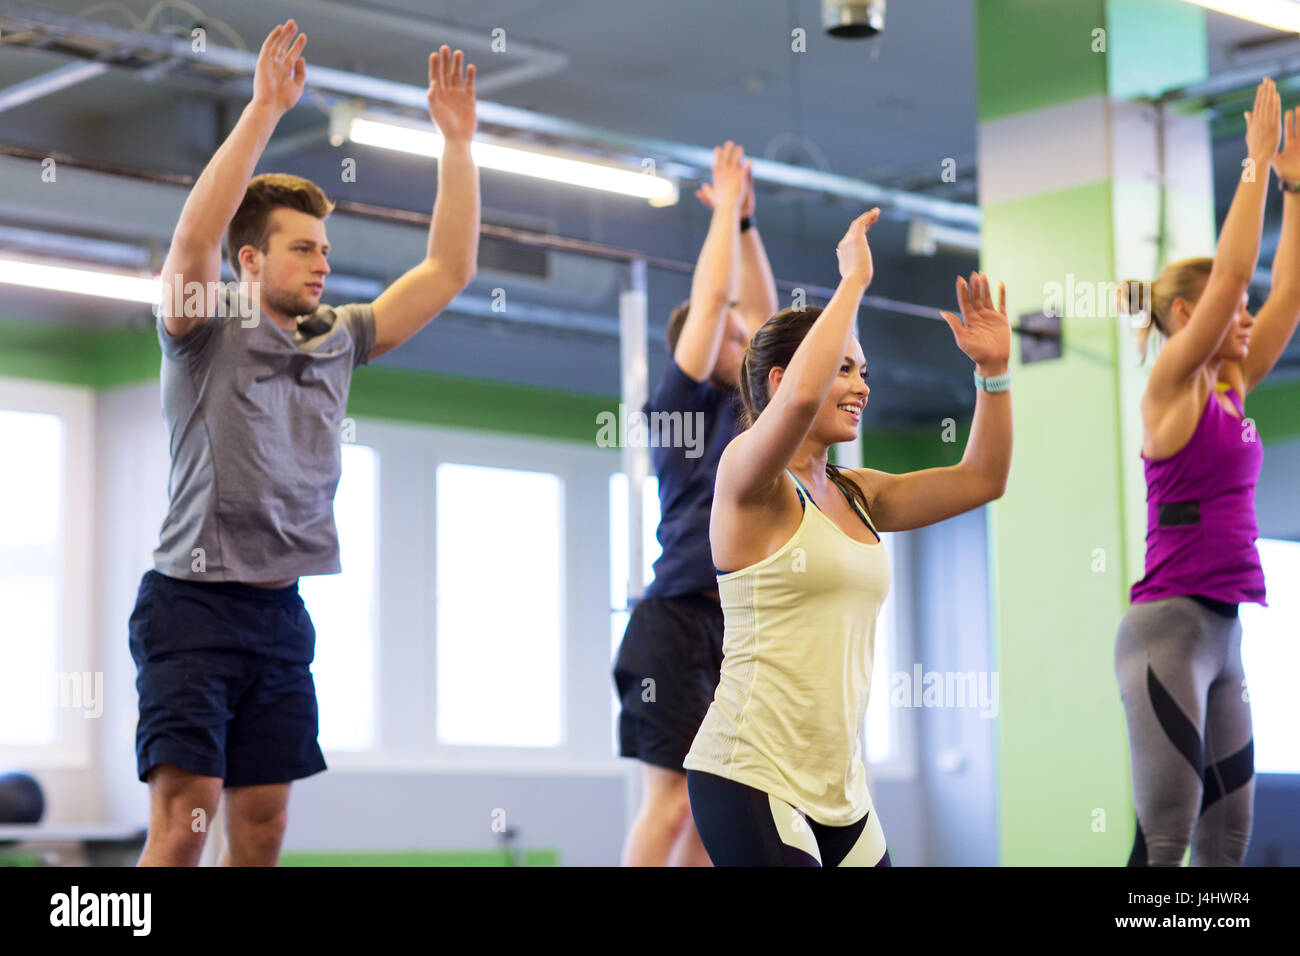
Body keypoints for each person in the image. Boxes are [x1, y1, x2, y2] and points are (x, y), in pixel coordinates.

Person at [128, 21, 480, 866]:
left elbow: (448, 272)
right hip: (192, 607)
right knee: (186, 825)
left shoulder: (341, 335)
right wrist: (261, 111)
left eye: (326, 249)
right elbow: (191, 243)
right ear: (251, 260)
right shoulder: (204, 326)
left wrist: (458, 146)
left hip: (281, 613)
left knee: (263, 830)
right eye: (302, 248)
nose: (322, 263)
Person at [683, 208, 1013, 866]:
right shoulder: (748, 479)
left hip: (844, 792)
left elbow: (982, 478)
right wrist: (852, 283)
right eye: (845, 369)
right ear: (781, 381)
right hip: (750, 772)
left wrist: (995, 374)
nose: (861, 385)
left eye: (863, 372)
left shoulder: (858, 492)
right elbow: (800, 401)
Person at [1115, 78, 1300, 867]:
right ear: (1187, 318)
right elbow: (1232, 279)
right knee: (1167, 840)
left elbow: (1285, 295)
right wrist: (1253, 165)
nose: (1248, 313)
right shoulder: (1173, 388)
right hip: (1169, 629)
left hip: (1225, 630)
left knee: (1226, 842)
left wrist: (1296, 186)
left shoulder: (1229, 389)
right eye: (1232, 306)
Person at [613, 141, 778, 866]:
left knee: (716, 813)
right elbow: (714, 303)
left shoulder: (750, 414)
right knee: (674, 803)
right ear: (697, 348)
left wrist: (743, 223)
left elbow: (763, 316)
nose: (744, 345)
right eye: (731, 340)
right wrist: (718, 219)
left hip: (732, 627)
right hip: (674, 622)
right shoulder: (681, 408)